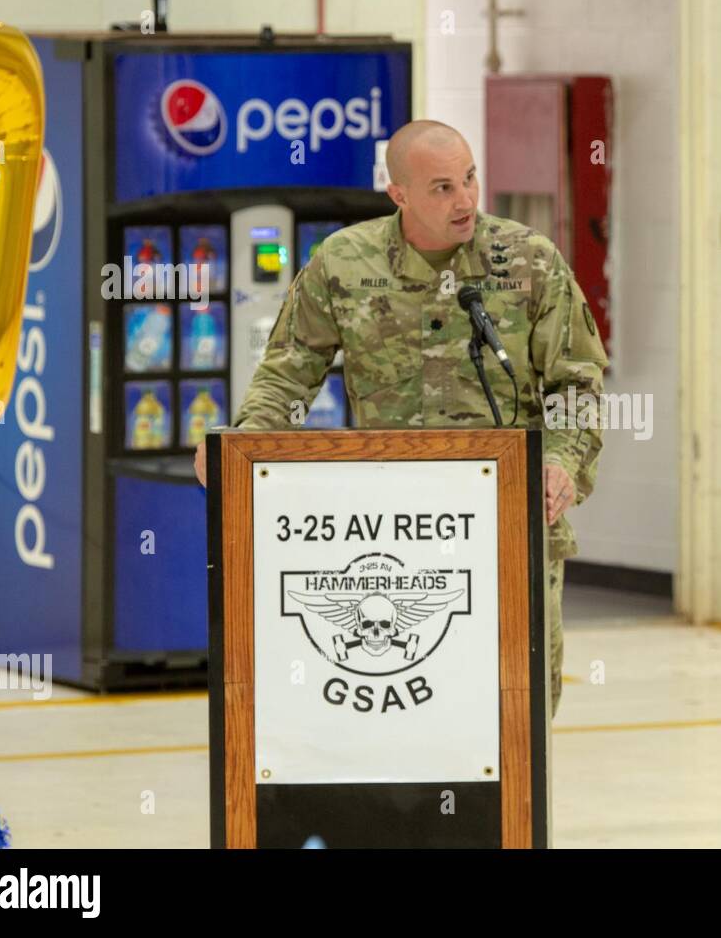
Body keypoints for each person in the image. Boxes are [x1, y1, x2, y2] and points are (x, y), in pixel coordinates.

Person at [192, 119, 608, 718]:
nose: (465, 200)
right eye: (442, 187)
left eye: (469, 178)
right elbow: (289, 373)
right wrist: (241, 445)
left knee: (515, 712)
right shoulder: (344, 263)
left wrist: (563, 463)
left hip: (507, 525)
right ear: (399, 194)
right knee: (400, 704)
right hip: (391, 534)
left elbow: (578, 383)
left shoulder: (528, 262)